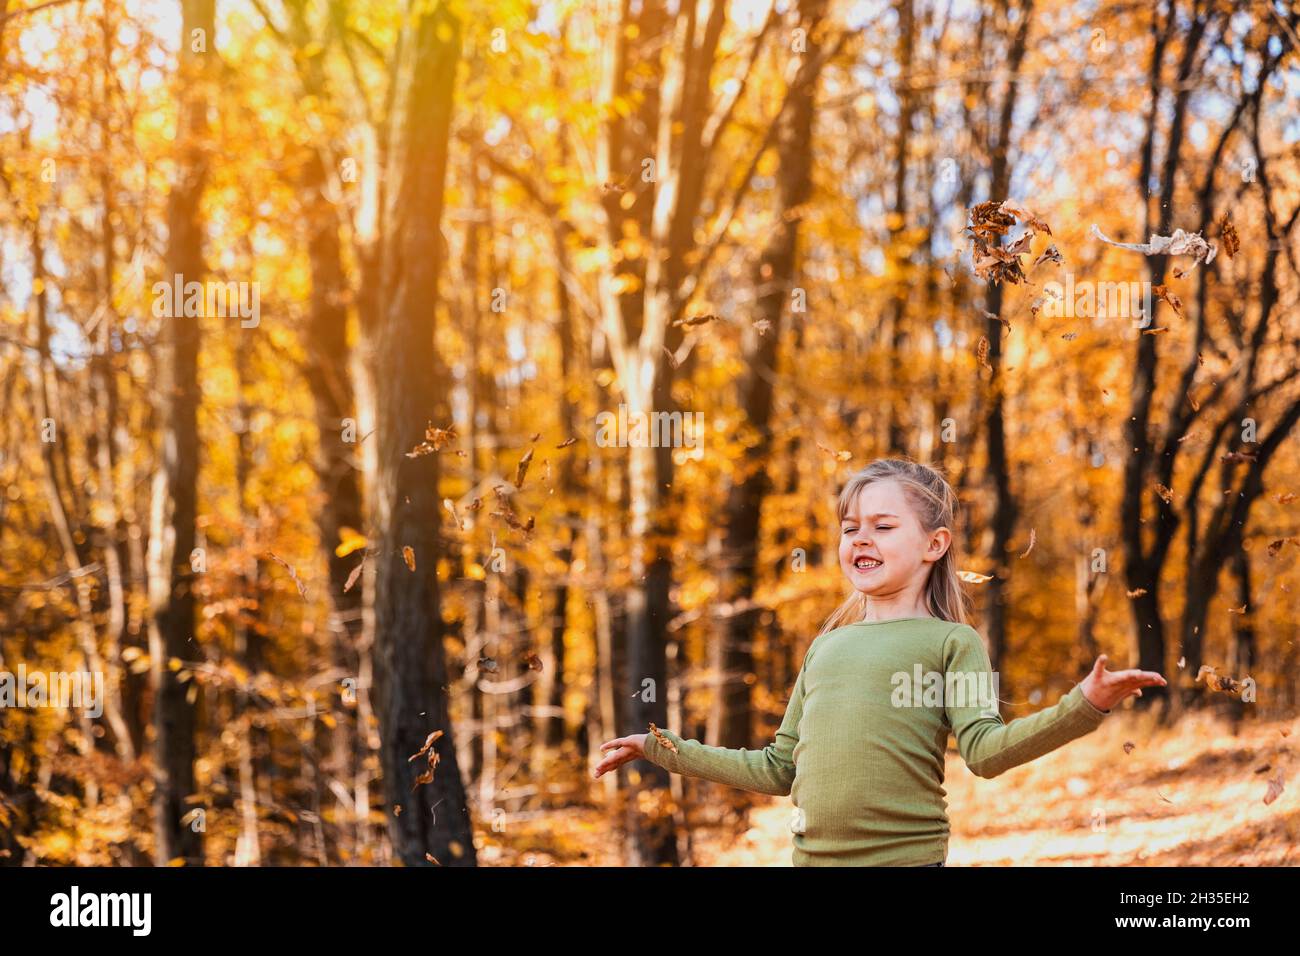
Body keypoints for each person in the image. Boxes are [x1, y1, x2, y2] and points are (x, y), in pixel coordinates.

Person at [593, 457, 1166, 865]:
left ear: (933, 545)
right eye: (850, 529)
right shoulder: (826, 647)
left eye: (883, 527)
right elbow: (777, 768)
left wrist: (1083, 705)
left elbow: (986, 754)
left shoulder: (951, 642)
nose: (860, 539)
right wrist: (661, 748)